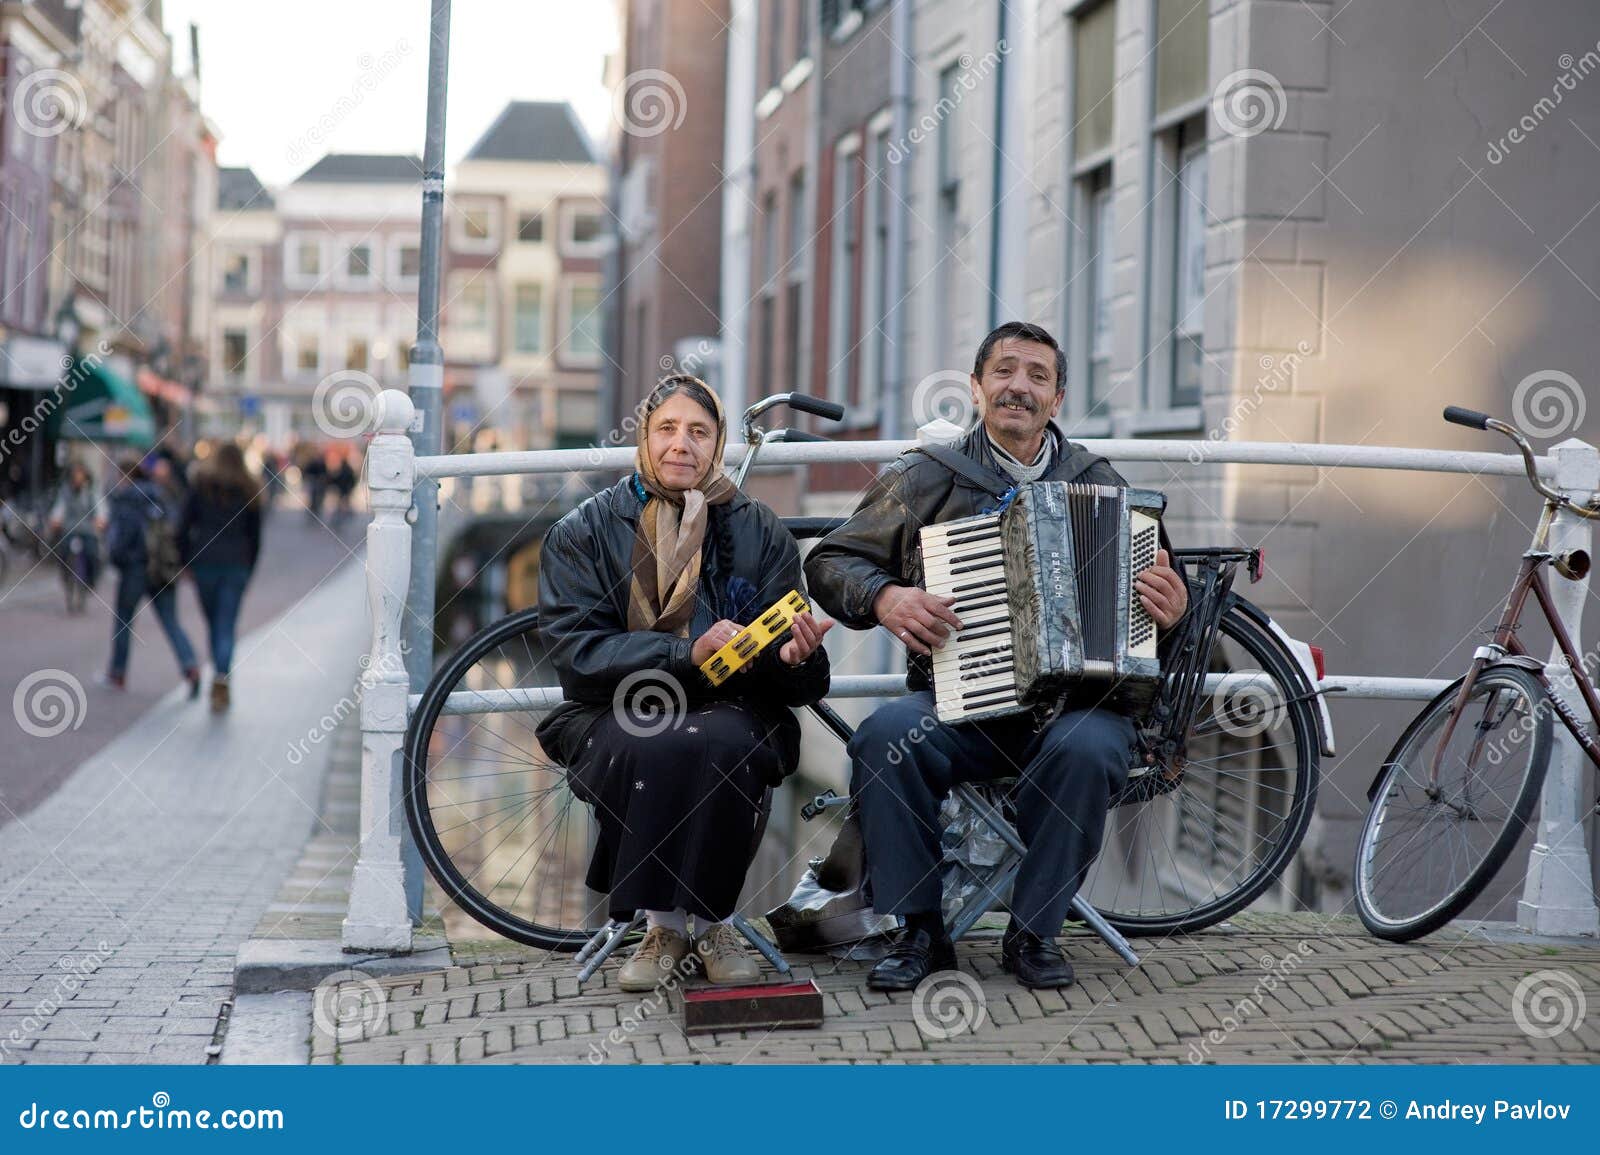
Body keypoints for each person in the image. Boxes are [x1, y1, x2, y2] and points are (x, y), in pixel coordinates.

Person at [804, 321, 1190, 991]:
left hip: (1075, 708)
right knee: (885, 736)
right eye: (1005, 371)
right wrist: (886, 595)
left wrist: (1173, 608)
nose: (1020, 386)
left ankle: (1034, 930)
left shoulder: (1102, 484)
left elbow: (1160, 617)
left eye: (1038, 376)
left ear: (1058, 398)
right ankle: (921, 930)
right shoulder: (926, 478)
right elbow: (832, 561)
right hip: (963, 706)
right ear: (977, 388)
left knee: (1090, 748)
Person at [536, 374, 834, 992]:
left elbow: (800, 686)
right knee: (656, 740)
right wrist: (683, 653)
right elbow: (576, 653)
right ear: (644, 439)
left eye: (699, 431)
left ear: (718, 443)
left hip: (738, 705)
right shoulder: (583, 532)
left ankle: (707, 921)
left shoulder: (759, 531)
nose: (682, 444)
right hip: (611, 704)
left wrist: (799, 657)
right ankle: (669, 925)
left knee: (721, 742)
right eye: (667, 429)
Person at [102, 455, 200, 695]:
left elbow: (120, 538)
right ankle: (190, 666)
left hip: (135, 568)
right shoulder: (161, 495)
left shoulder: (125, 498)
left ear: (127, 476)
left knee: (124, 621)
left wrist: (119, 560)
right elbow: (177, 528)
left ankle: (117, 673)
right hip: (162, 569)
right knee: (170, 621)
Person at [182, 443, 263, 712]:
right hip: (236, 564)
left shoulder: (202, 484)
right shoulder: (249, 488)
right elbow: (255, 538)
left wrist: (185, 561)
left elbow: (183, 525)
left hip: (204, 563)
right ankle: (221, 676)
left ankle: (219, 673)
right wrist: (249, 569)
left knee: (213, 623)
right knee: (225, 624)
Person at [47, 463, 101, 610]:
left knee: (92, 553)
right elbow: (60, 507)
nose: (77, 479)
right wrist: (56, 519)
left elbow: (100, 508)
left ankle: (91, 579)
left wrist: (100, 520)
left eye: (80, 476)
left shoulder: (91, 491)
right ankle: (66, 577)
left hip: (87, 529)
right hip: (70, 529)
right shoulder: (65, 491)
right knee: (63, 551)